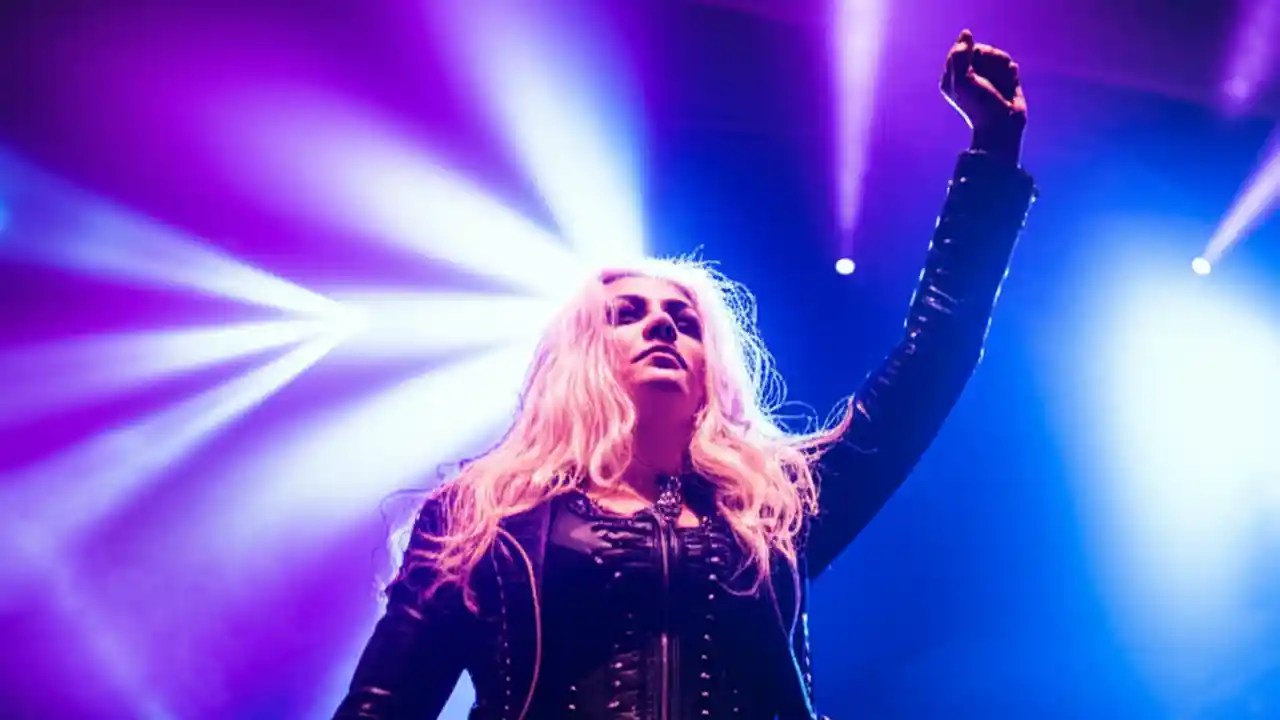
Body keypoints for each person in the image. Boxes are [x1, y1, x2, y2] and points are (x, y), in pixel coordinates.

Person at [334, 29, 1036, 720]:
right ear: (578, 356)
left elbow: (933, 357)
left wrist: (991, 156)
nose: (661, 324)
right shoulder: (479, 516)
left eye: (686, 319)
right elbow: (380, 708)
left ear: (711, 375)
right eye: (627, 313)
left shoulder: (772, 510)